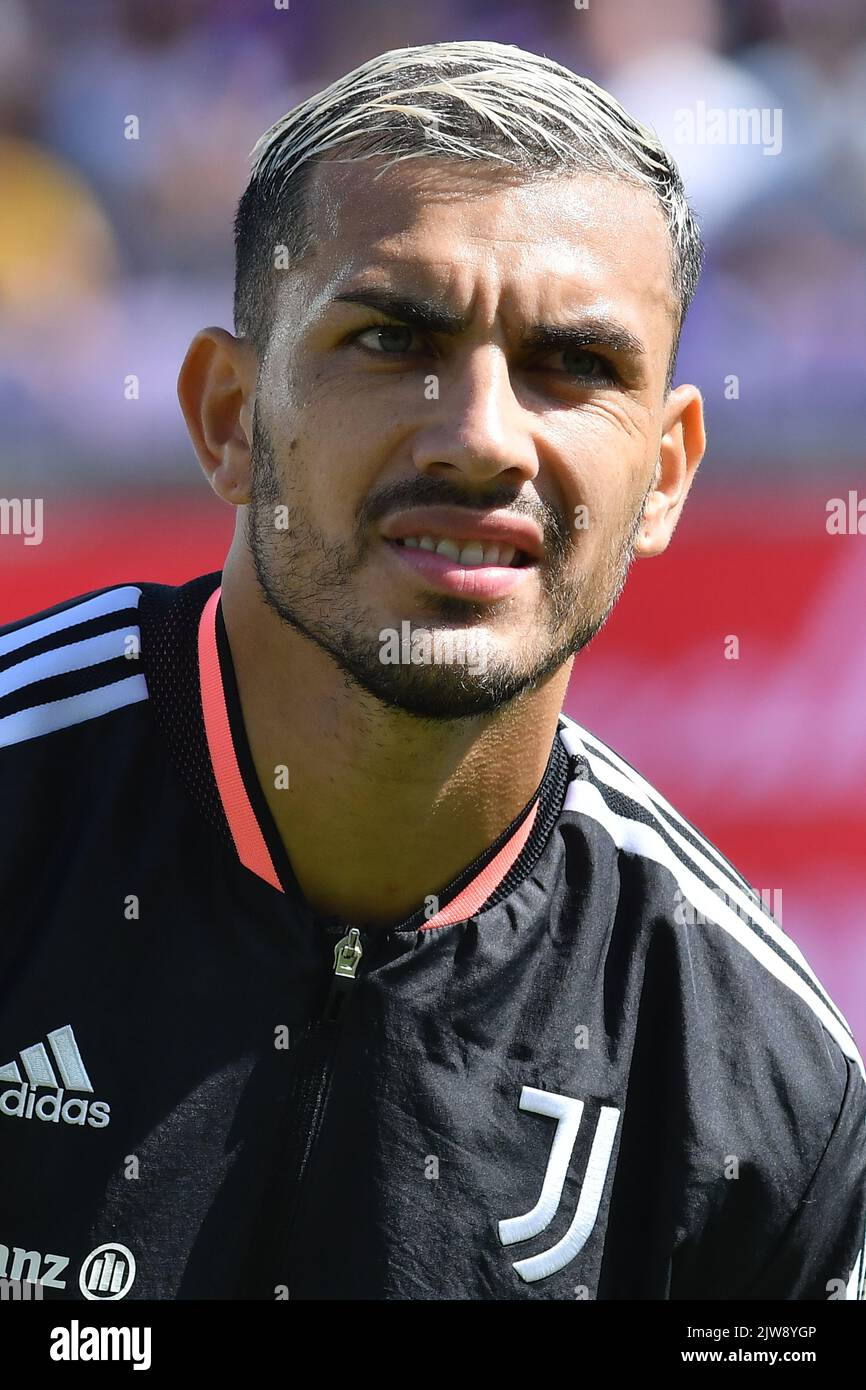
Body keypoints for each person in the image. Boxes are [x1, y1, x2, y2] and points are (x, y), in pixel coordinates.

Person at [1, 40, 863, 1302]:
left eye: (574, 364)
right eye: (392, 335)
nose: (479, 439)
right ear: (228, 417)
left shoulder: (756, 1078)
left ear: (666, 473)